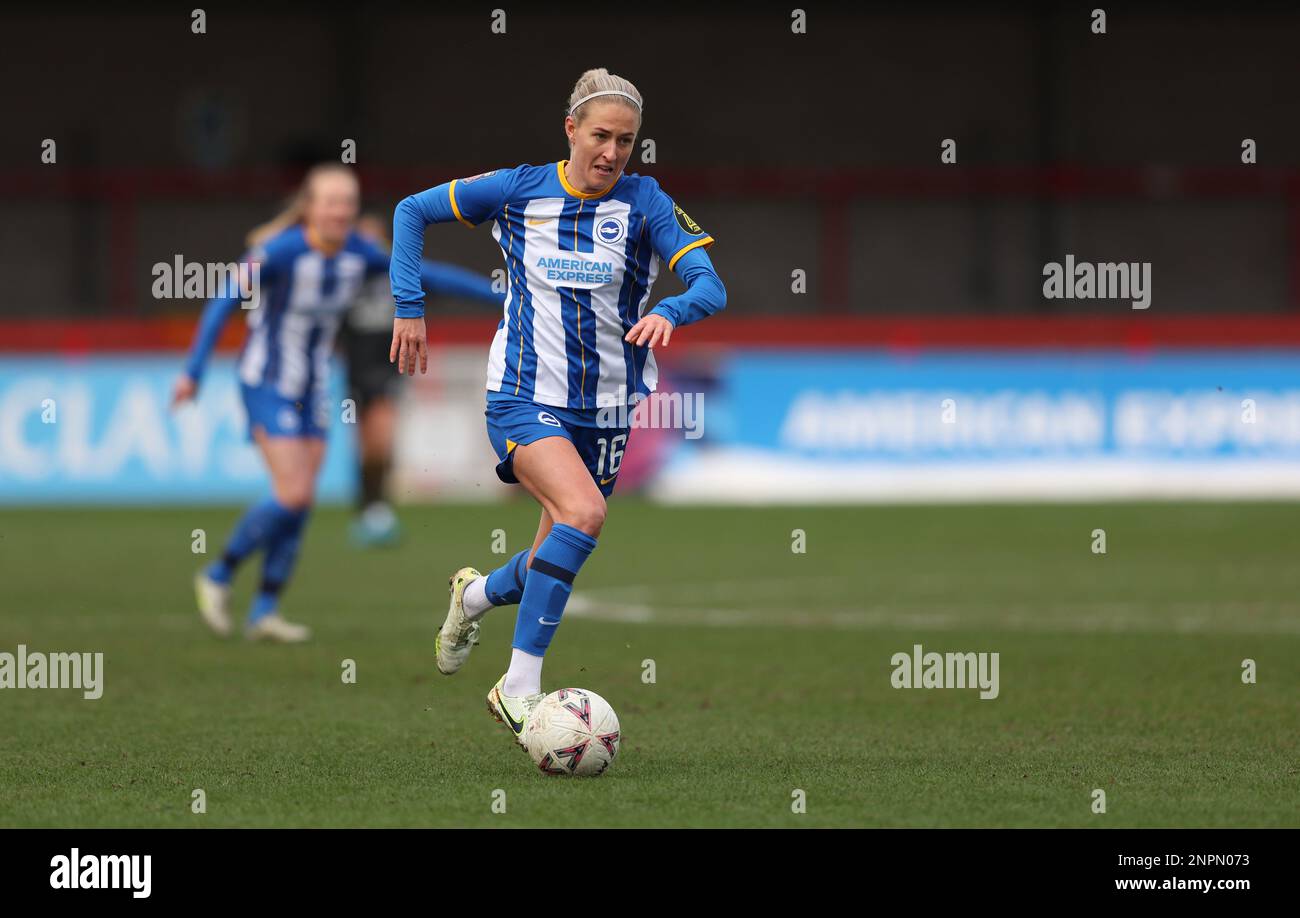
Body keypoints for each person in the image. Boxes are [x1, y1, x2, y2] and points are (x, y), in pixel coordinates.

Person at [388, 68, 726, 742]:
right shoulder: (517, 190)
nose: (611, 152)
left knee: (558, 548)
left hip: (605, 407)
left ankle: (474, 595)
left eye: (625, 142)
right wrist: (409, 307)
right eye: (600, 135)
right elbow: (411, 211)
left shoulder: (646, 202)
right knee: (584, 512)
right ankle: (519, 689)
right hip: (521, 394)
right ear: (570, 129)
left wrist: (674, 309)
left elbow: (709, 284)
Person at [176, 163, 499, 642]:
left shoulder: (358, 253)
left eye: (347, 202)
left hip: (314, 388)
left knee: (299, 504)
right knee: (293, 494)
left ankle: (264, 610)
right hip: (265, 382)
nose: (340, 211)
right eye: (330, 202)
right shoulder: (279, 252)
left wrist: (505, 295)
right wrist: (194, 370)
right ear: (309, 207)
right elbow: (223, 301)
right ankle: (219, 573)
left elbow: (430, 275)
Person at [343, 214, 500, 546]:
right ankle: (369, 509)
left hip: (388, 369)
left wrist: (502, 299)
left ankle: (377, 512)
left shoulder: (397, 273)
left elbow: (447, 280)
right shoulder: (343, 276)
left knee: (382, 437)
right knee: (368, 447)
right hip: (355, 372)